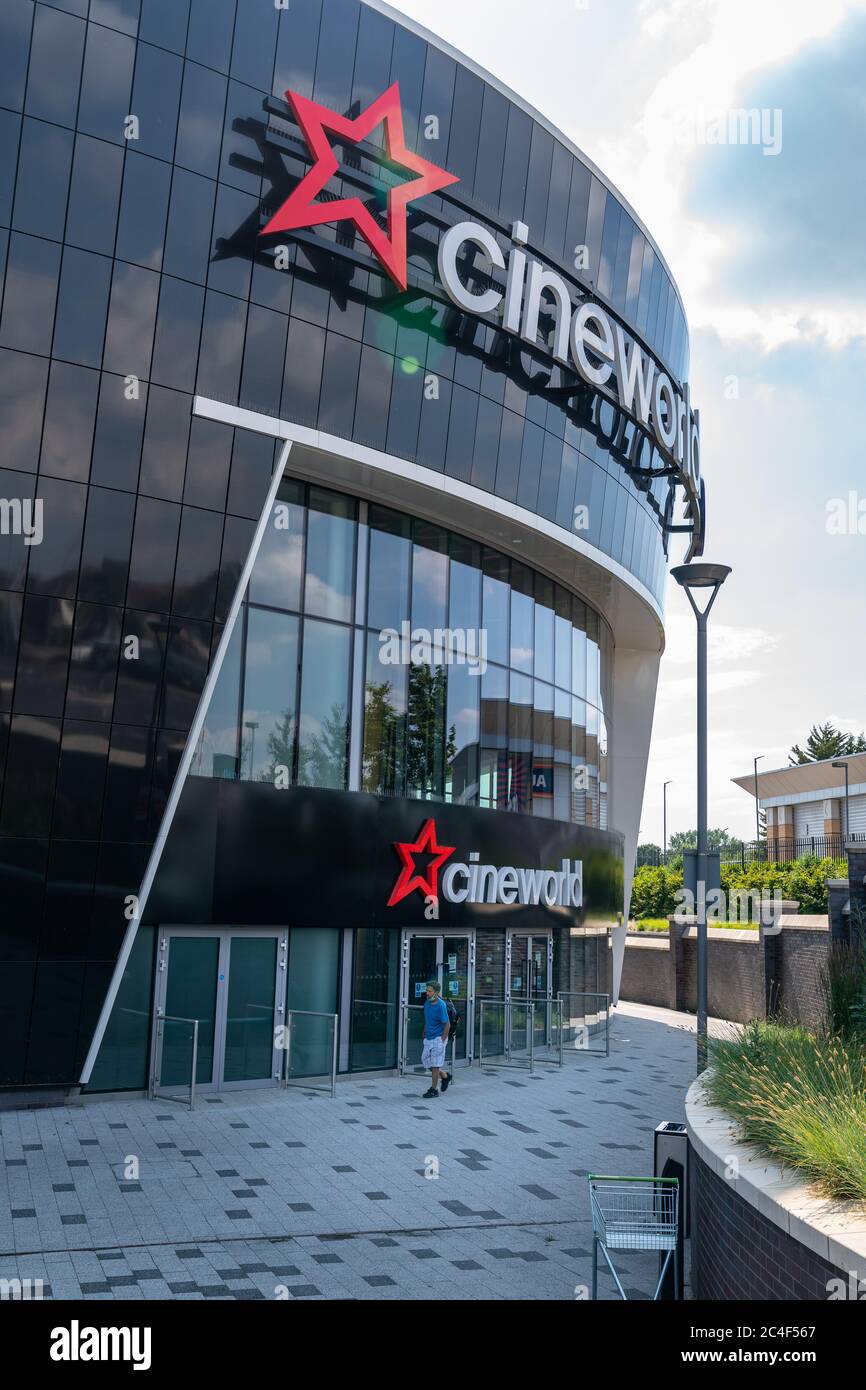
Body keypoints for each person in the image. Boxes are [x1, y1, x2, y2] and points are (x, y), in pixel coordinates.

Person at [421, 980, 451, 1098]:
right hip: (428, 1037)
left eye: (429, 991)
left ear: (436, 992)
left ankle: (434, 1090)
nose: (427, 993)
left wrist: (442, 1039)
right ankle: (444, 1076)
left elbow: (447, 1024)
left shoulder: (441, 1005)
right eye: (426, 990)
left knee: (435, 1065)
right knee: (425, 1060)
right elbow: (427, 1019)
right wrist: (424, 1031)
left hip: (438, 1038)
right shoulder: (427, 1003)